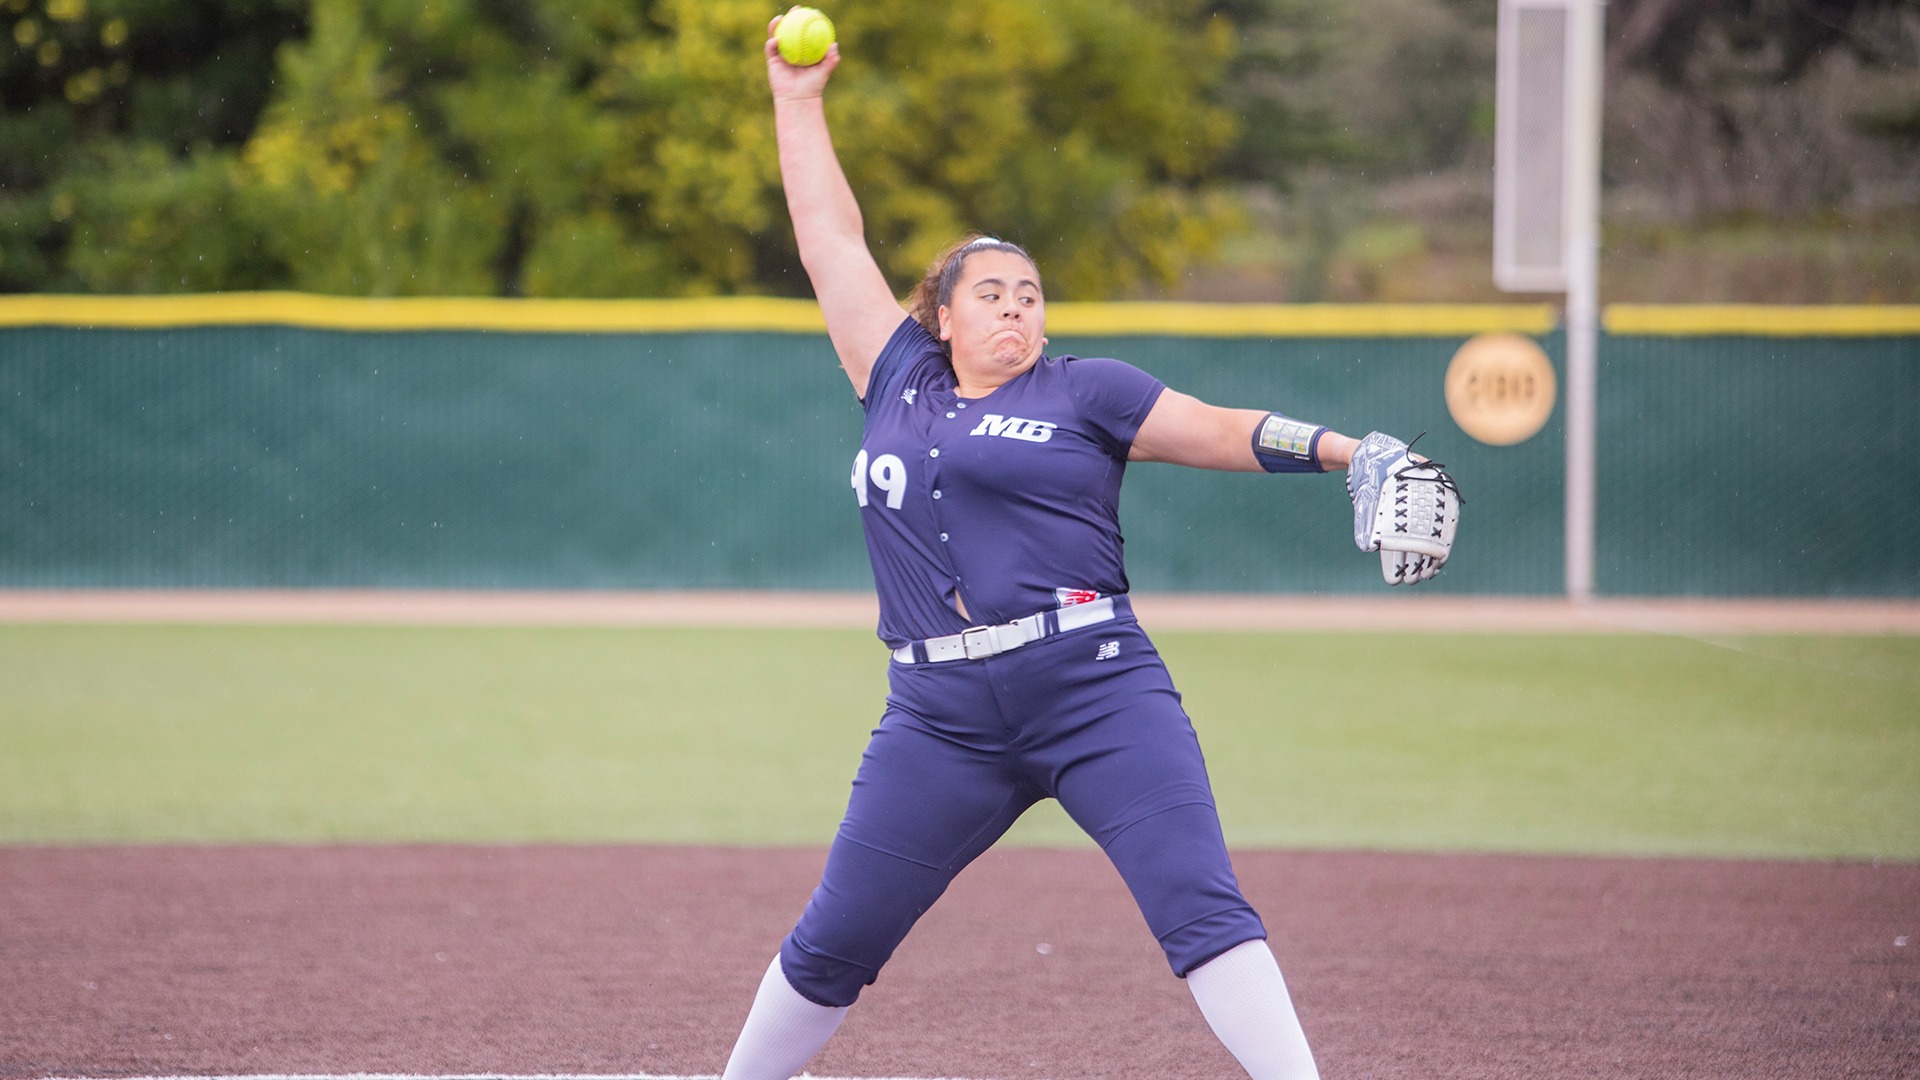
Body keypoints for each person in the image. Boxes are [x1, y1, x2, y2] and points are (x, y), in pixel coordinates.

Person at [722, 15, 1453, 1080]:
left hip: (1096, 688)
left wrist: (1348, 451)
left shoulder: (1085, 392)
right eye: (991, 293)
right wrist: (797, 104)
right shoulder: (894, 378)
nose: (1015, 307)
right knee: (836, 939)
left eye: (1030, 295)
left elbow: (1214, 428)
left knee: (1198, 905)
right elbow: (830, 239)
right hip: (939, 718)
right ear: (940, 318)